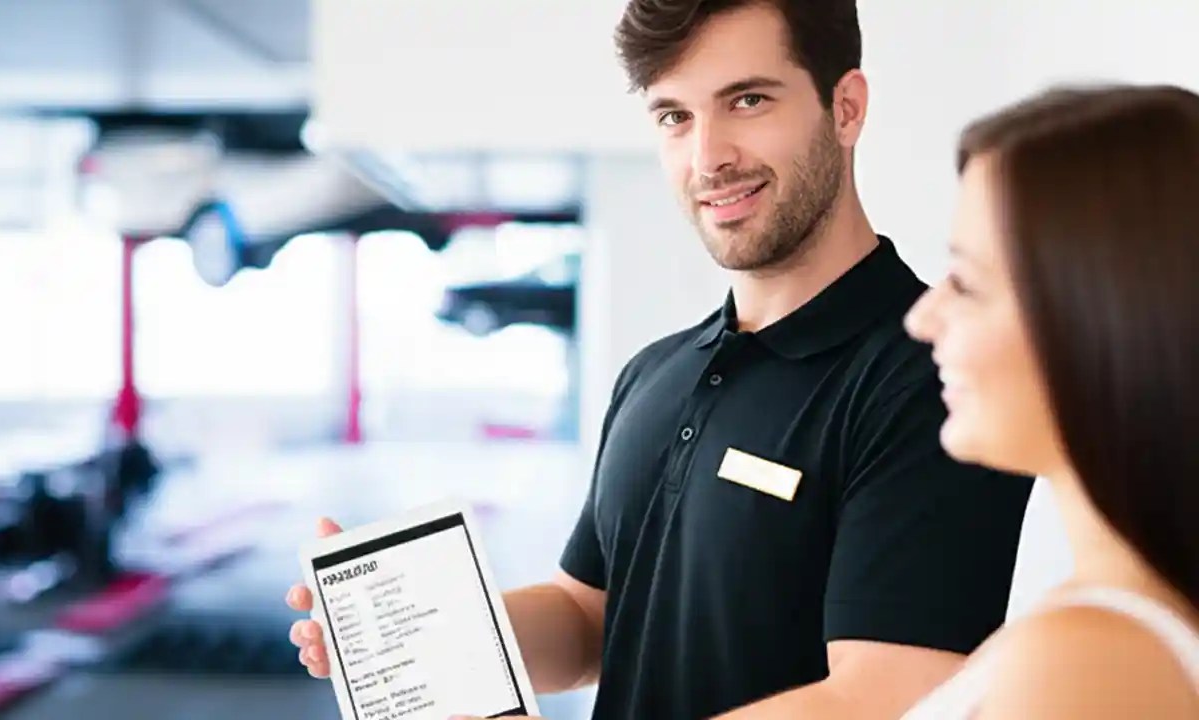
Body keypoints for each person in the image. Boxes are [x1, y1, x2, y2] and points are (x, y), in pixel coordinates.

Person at [287, 1, 1035, 718]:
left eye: (747, 101)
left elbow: (882, 701)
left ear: (846, 107)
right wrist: (406, 633)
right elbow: (588, 621)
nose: (708, 156)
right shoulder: (655, 374)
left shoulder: (933, 377)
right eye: (675, 116)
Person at [899, 84, 1199, 719]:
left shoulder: (1090, 664)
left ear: (1099, 318)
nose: (924, 317)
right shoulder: (1103, 633)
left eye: (967, 283)